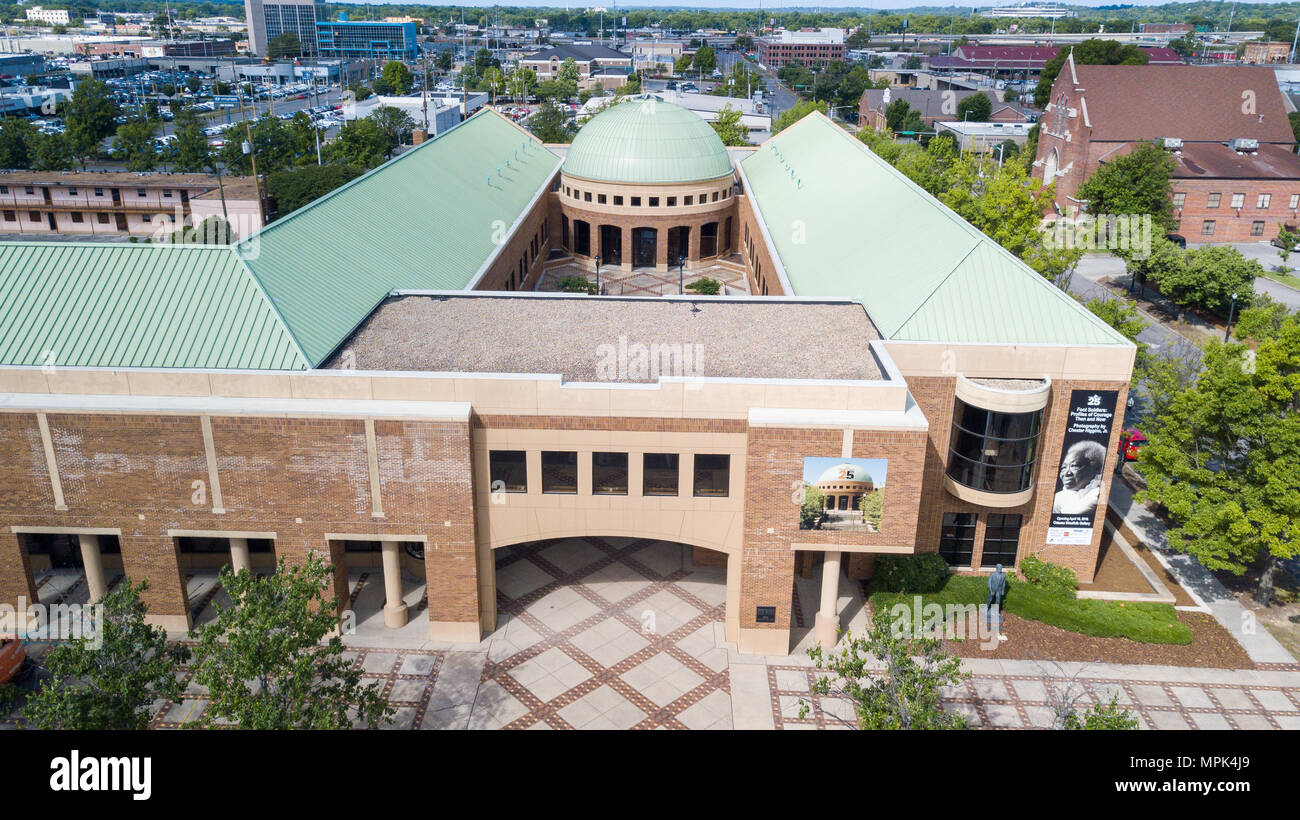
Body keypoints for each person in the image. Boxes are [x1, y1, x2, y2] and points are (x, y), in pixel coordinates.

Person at [1052, 439, 1107, 516]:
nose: (1067, 473)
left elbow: (1073, 514)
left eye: (1074, 466)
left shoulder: (1097, 493)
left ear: (1096, 468)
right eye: (1064, 467)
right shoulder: (1058, 497)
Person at [986, 563, 1007, 628]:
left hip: (999, 590)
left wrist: (1003, 590)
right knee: (990, 599)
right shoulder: (992, 574)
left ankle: (995, 611)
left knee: (998, 600)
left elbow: (1003, 583)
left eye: (1001, 568)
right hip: (993, 589)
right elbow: (989, 583)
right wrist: (991, 590)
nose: (1000, 569)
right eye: (999, 568)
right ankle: (986, 608)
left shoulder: (1003, 575)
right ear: (996, 568)